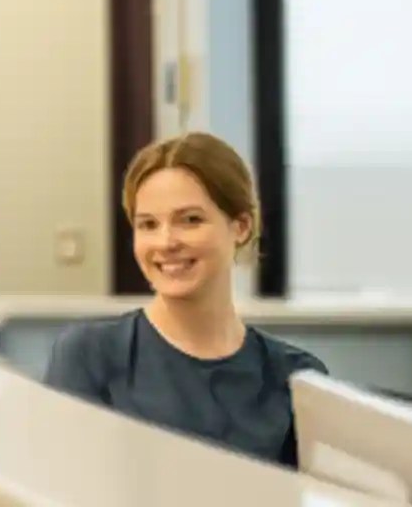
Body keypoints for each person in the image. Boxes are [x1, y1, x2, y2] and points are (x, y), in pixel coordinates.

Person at [43, 131, 326, 467]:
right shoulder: (89, 357)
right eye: (148, 224)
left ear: (241, 227)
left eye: (190, 220)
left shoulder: (295, 378)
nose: (166, 242)